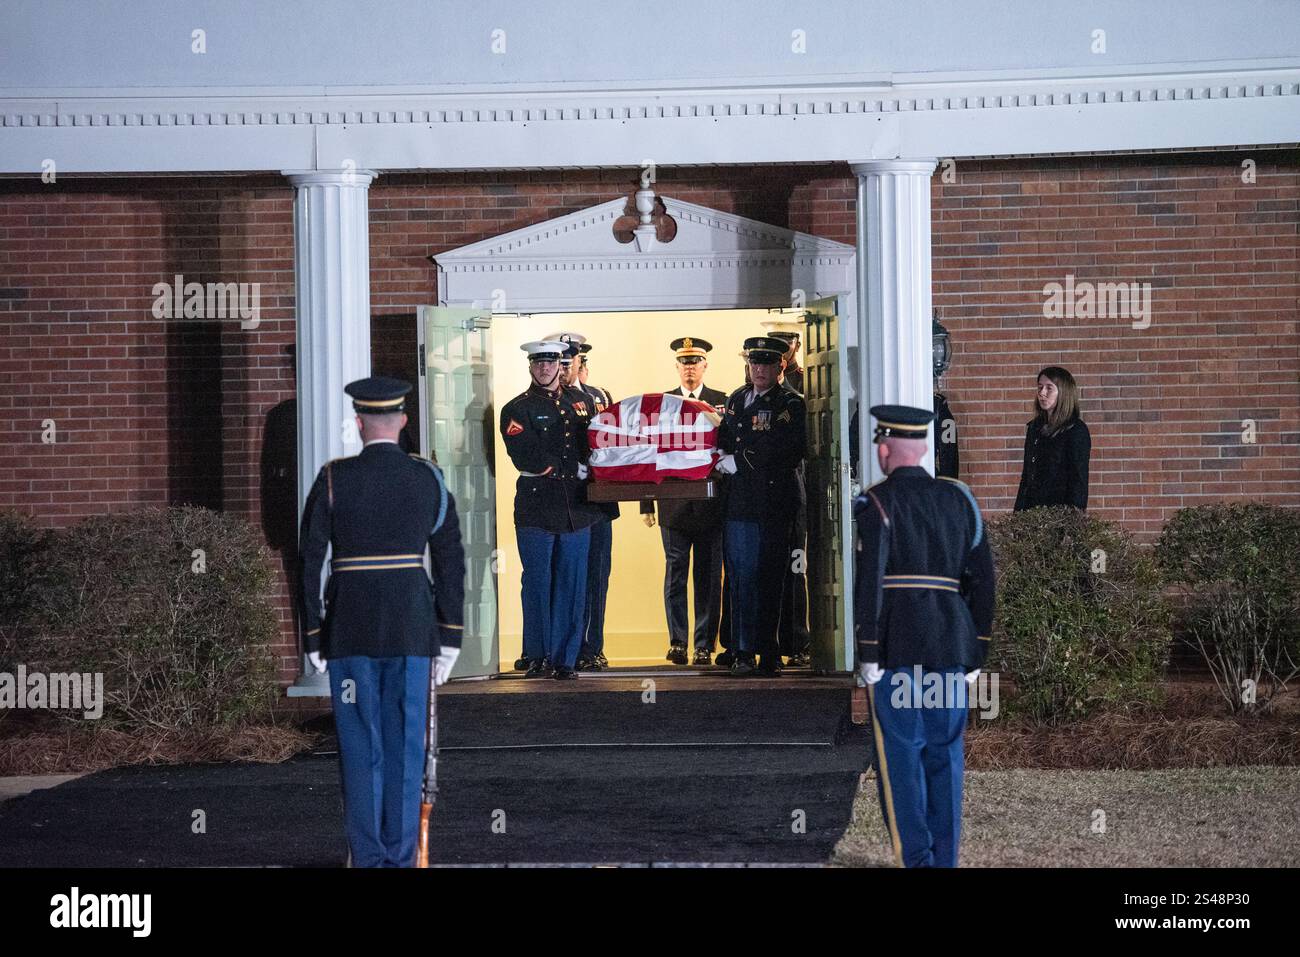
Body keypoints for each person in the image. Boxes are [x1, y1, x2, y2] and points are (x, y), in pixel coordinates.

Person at [299, 376, 465, 868]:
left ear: (358, 423)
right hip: (414, 631)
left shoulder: (333, 478)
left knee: (358, 743)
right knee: (407, 742)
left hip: (349, 630)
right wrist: (450, 636)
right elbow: (452, 562)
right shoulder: (428, 478)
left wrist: (313, 633)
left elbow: (309, 561)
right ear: (403, 421)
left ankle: (367, 856)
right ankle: (400, 854)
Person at [853, 404, 994, 868]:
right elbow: (984, 581)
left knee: (901, 760)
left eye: (879, 443)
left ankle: (917, 861)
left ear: (886, 447)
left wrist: (868, 649)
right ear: (927, 447)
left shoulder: (876, 502)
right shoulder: (961, 500)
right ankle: (945, 861)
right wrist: (977, 650)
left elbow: (870, 580)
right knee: (945, 756)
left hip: (898, 650)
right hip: (951, 648)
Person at [500, 339, 601, 679]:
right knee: (538, 582)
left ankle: (566, 660)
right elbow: (526, 455)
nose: (544, 368)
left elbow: (599, 443)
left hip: (577, 508)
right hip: (537, 505)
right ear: (530, 367)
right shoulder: (517, 408)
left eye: (551, 363)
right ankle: (537, 655)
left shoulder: (584, 402)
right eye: (538, 363)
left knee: (572, 584)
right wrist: (574, 466)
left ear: (562, 365)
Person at [716, 336, 807, 677]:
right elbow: (726, 436)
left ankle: (769, 651)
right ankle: (742, 650)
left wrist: (740, 460)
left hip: (773, 503)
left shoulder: (790, 404)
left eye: (765, 364)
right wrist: (720, 456)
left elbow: (787, 450)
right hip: (740, 503)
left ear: (779, 367)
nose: (758, 370)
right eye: (754, 364)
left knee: (771, 579)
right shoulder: (738, 398)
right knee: (740, 578)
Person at [639, 337, 729, 666]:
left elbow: (726, 450)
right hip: (672, 503)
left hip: (709, 505)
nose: (690, 368)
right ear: (676, 366)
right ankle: (677, 641)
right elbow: (647, 452)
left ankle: (704, 644)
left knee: (708, 577)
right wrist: (647, 502)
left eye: (696, 361)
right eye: (684, 362)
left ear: (706, 365)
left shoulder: (722, 402)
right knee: (675, 573)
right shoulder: (661, 403)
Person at [571, 337, 620, 672]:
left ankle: (592, 647)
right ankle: (564, 648)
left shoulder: (601, 398)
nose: (567, 367)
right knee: (568, 578)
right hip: (568, 503)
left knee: (596, 578)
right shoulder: (548, 399)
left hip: (599, 502)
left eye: (572, 361)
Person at [1013, 365, 1090, 511]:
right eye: (1040, 387)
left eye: (1049, 388)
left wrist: (1071, 524)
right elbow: (1026, 478)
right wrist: (1018, 515)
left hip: (1058, 517)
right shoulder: (1034, 428)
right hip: (1031, 514)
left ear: (1064, 393)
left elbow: (1078, 482)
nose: (1042, 393)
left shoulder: (1076, 430)